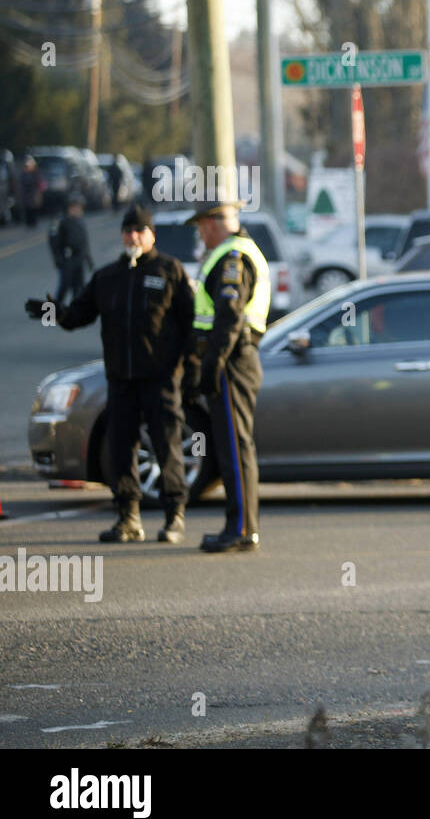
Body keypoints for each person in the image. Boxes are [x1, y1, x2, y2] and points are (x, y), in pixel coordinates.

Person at [25, 205, 195, 542]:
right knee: (120, 449)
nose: (133, 236)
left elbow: (191, 325)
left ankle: (174, 516)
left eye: (139, 230)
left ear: (151, 235)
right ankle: (128, 518)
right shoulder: (107, 277)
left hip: (160, 380)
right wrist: (52, 312)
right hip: (120, 382)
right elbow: (78, 315)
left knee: (167, 446)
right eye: (128, 230)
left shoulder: (169, 271)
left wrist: (189, 372)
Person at [185, 197, 269, 553]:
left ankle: (240, 530)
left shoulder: (232, 258)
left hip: (231, 361)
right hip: (234, 360)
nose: (201, 234)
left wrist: (213, 363)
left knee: (234, 449)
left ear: (215, 223)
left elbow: (229, 317)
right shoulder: (235, 253)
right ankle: (240, 527)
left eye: (202, 227)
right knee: (235, 446)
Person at [48, 200, 94, 305]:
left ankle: (76, 310)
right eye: (77, 208)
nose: (79, 211)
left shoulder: (80, 222)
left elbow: (84, 243)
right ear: (70, 209)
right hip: (68, 258)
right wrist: (58, 258)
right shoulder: (61, 221)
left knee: (79, 287)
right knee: (65, 285)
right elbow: (54, 241)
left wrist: (89, 259)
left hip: (79, 258)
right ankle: (53, 309)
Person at [18, 156, 44, 227]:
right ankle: (28, 222)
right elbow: (21, 183)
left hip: (34, 193)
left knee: (34, 208)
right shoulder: (24, 174)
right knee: (27, 208)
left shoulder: (36, 173)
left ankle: (33, 222)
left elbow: (39, 183)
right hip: (26, 194)